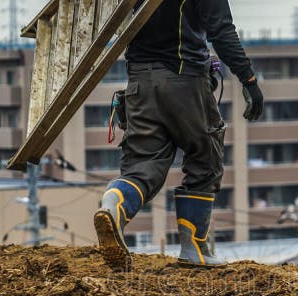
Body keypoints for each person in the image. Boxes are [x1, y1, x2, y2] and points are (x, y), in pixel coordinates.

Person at [94, 0, 264, 270]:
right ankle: (195, 247)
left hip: (139, 83)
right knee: (205, 158)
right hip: (186, 80)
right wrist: (249, 80)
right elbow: (221, 30)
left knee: (142, 167)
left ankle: (114, 204)